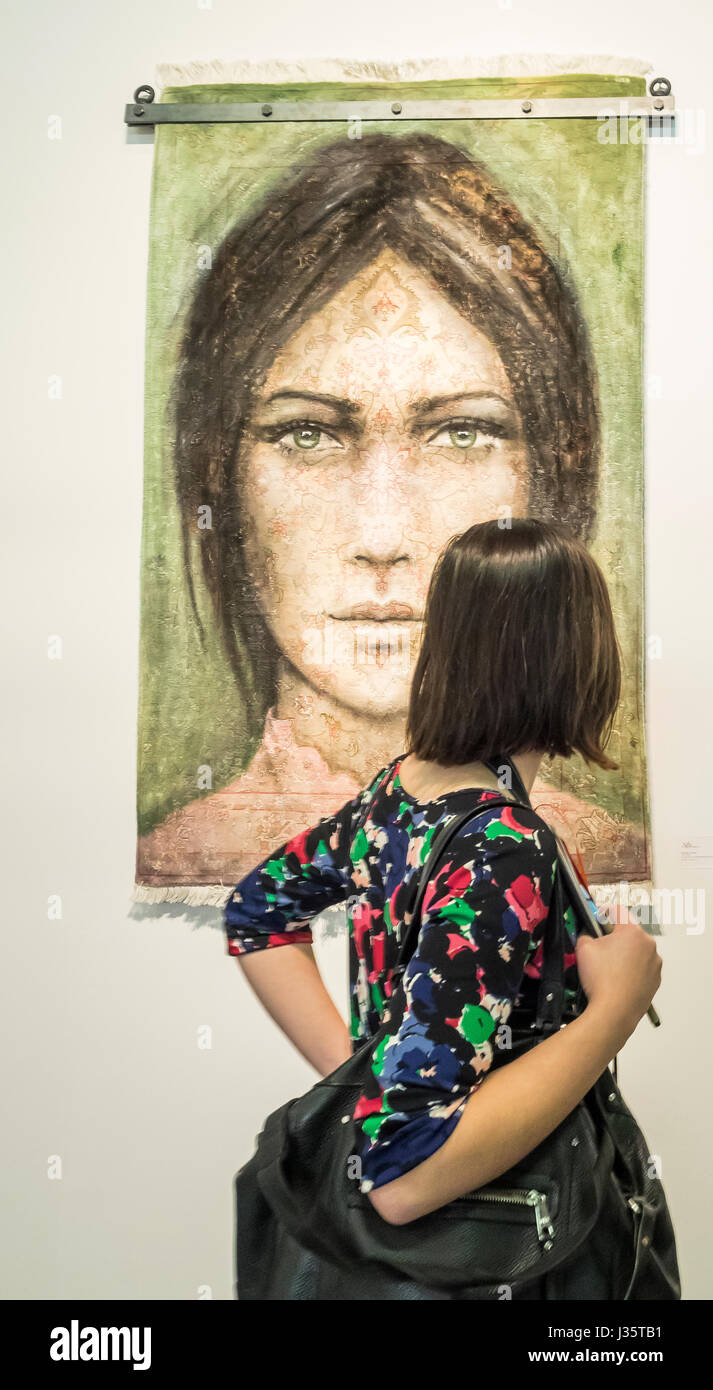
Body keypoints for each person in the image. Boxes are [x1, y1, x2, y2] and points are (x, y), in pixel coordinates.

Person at [137, 131, 647, 893]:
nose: (381, 538)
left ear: (552, 478)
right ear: (218, 482)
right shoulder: (177, 864)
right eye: (307, 434)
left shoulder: (605, 867)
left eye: (461, 434)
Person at [224, 517, 661, 1228]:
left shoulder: (400, 791)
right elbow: (402, 1177)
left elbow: (257, 911)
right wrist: (617, 1008)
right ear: (577, 654)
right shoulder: (501, 843)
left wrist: (357, 1079)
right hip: (482, 1251)